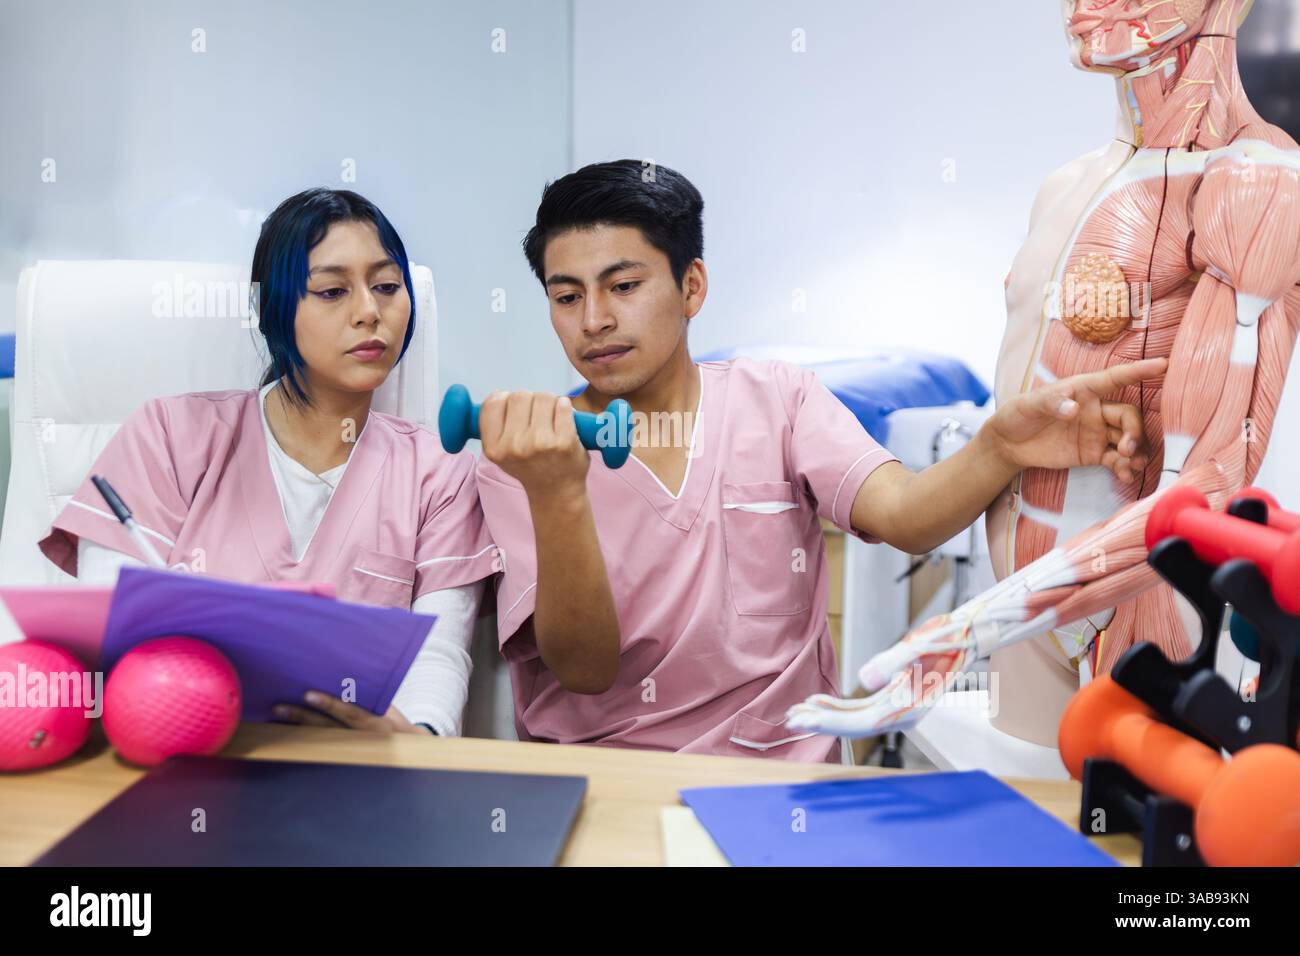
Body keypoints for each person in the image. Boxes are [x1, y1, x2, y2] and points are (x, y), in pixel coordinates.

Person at [475, 160, 1165, 761]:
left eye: (623, 286)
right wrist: (559, 492)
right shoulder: (525, 456)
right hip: (614, 778)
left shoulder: (777, 400)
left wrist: (1002, 445)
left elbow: (902, 516)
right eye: (566, 297)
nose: (593, 319)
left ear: (692, 287)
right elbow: (585, 671)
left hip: (784, 779)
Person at [38, 188, 496, 737]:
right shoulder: (169, 436)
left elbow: (441, 654)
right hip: (185, 755)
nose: (369, 312)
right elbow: (114, 629)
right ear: (273, 309)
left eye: (387, 286)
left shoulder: (440, 473)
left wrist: (416, 739)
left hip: (359, 776)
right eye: (332, 291)